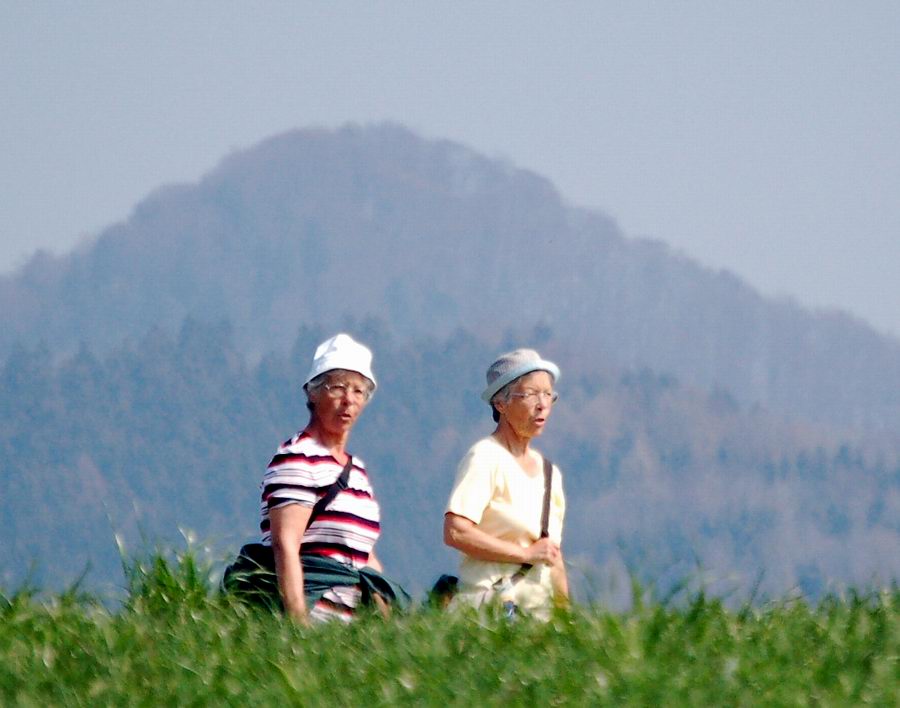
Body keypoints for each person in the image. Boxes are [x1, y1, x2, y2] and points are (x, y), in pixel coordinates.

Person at [232, 333, 405, 623]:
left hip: (353, 623)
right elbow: (285, 544)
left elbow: (364, 557)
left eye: (358, 391)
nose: (348, 401)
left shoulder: (357, 473)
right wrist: (298, 624)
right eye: (337, 388)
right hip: (317, 616)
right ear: (313, 393)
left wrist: (389, 625)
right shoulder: (297, 458)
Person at [443, 348, 568, 619]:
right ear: (501, 404)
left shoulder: (550, 474)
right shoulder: (485, 457)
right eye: (531, 394)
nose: (542, 404)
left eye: (548, 394)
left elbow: (552, 556)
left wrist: (566, 618)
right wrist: (525, 553)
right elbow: (456, 531)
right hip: (489, 614)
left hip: (538, 620)